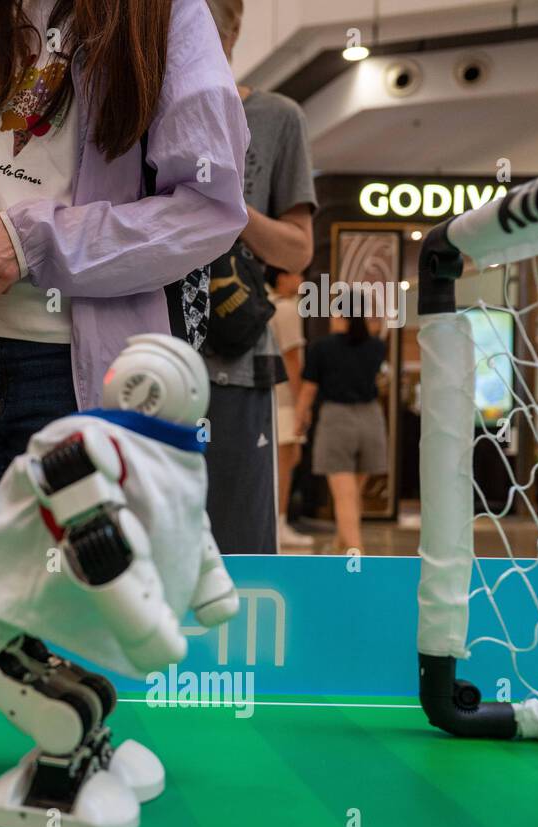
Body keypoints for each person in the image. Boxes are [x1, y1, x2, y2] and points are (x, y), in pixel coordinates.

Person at [0, 0, 248, 550]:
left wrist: (34, 241)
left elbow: (207, 208)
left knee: (81, 605)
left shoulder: (166, 17)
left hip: (80, 379)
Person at [0, 335, 239, 827]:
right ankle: (50, 749)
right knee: (75, 710)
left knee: (95, 699)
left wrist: (210, 584)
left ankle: (80, 739)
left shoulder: (170, 453)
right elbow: (95, 531)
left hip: (89, 581)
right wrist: (143, 627)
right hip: (66, 576)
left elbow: (187, 522)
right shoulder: (89, 443)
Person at [201, 0, 316, 555]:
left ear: (234, 30)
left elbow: (297, 250)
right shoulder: (137, 114)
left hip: (236, 364)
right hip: (142, 358)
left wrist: (228, 206)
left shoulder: (276, 118)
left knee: (239, 551)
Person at [296, 314, 388, 554]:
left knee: (344, 495)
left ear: (340, 316)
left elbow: (308, 389)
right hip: (371, 419)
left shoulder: (321, 347)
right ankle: (340, 542)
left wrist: (300, 417)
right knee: (353, 493)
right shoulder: (377, 346)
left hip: (336, 419)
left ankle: (357, 553)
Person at [268, 270, 314, 548]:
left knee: (287, 458)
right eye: (295, 274)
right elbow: (292, 358)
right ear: (281, 277)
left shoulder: (269, 305)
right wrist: (301, 403)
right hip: (284, 397)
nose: (300, 280)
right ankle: (278, 522)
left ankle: (277, 521)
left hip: (271, 395)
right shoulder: (286, 309)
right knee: (285, 461)